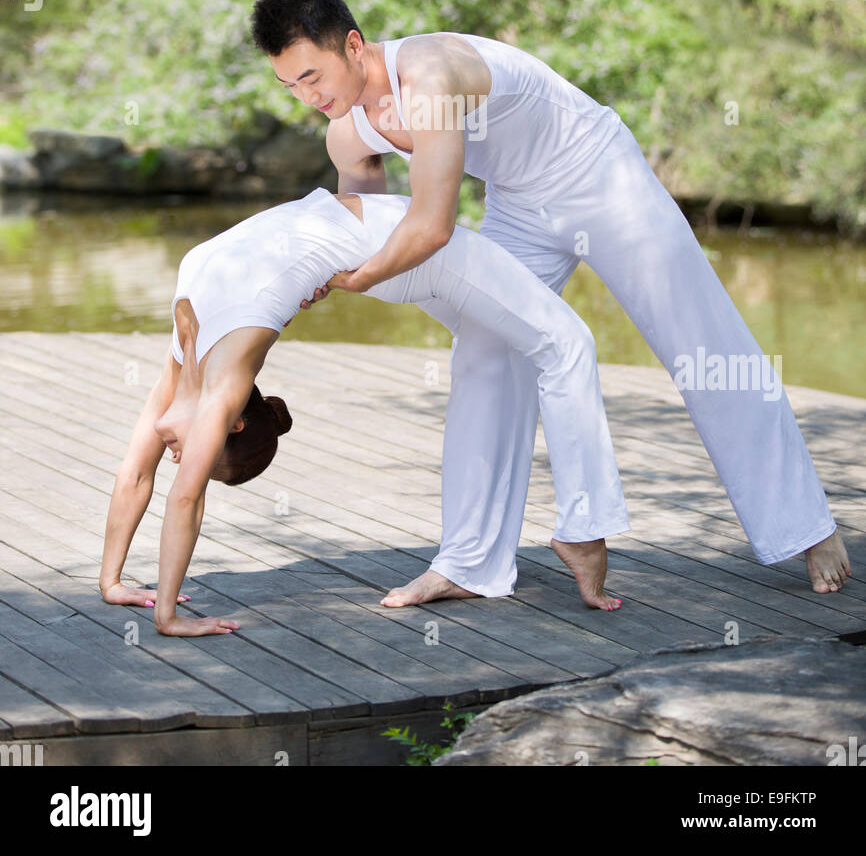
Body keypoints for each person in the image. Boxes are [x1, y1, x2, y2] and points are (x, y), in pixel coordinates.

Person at [249, 0, 851, 605]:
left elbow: (429, 227)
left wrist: (359, 277)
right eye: (289, 85)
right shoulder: (347, 134)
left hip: (597, 174)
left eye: (313, 76)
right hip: (520, 204)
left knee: (702, 342)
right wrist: (321, 279)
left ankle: (807, 528)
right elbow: (371, 237)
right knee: (485, 353)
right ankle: (468, 561)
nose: (306, 97)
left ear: (352, 44)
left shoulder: (427, 75)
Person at [98, 185, 633, 635]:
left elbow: (186, 497)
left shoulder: (222, 382)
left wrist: (167, 614)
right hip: (369, 245)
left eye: (199, 453)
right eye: (199, 453)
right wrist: (112, 581)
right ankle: (473, 562)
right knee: (503, 351)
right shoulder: (188, 362)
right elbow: (135, 471)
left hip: (409, 241)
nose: (176, 457)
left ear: (232, 420)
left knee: (566, 340)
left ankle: (583, 528)